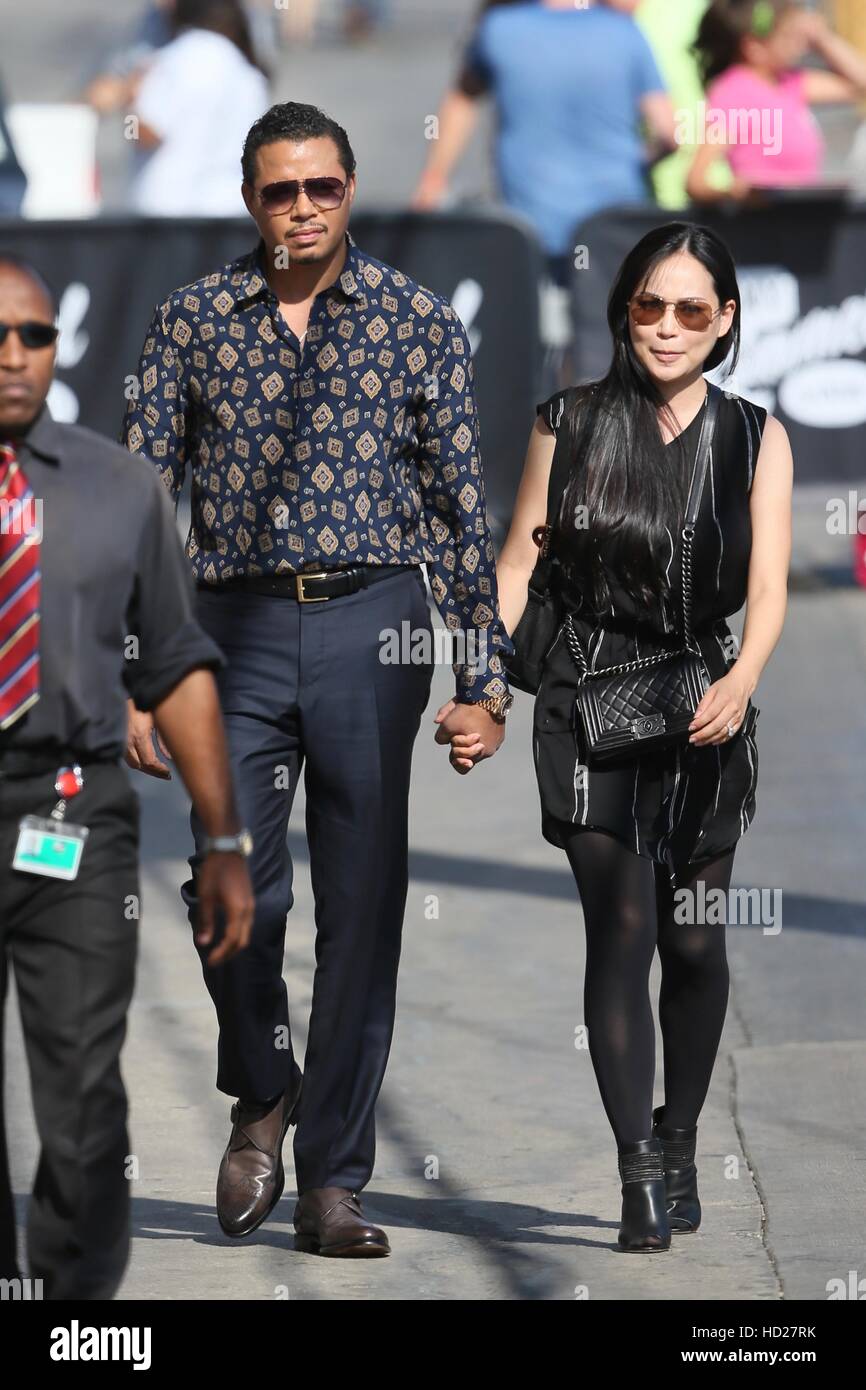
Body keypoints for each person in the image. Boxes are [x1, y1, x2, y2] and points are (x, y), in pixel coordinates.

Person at [120, 101, 514, 1258]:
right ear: (250, 201)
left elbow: (455, 511)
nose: (301, 209)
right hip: (230, 632)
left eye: (322, 189)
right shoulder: (192, 322)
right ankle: (262, 1087)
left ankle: (335, 1180)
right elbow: (141, 506)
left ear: (350, 190)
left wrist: (482, 678)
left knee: (362, 908)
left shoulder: (413, 322)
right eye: (279, 191)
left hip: (372, 629)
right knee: (226, 885)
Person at [446, 222, 793, 1251]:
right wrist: (484, 692)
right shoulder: (568, 422)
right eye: (649, 305)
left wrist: (741, 678)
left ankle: (677, 1134)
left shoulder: (753, 436)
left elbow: (769, 585)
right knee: (624, 932)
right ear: (621, 312)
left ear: (724, 320)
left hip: (700, 700)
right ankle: (635, 1175)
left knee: (691, 940)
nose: (668, 327)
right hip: (582, 703)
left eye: (692, 309)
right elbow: (516, 563)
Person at [0, 253, 254, 1299]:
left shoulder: (121, 486)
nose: (13, 357)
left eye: (34, 335)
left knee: (81, 1092)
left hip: (72, 808)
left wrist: (225, 840)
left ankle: (73, 1309)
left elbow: (177, 663)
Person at [411, 0, 676, 288]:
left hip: (529, 230)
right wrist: (639, 163)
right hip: (615, 226)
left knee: (537, 324)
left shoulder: (499, 29)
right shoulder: (626, 32)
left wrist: (433, 179)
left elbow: (462, 100)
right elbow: (669, 134)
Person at [687, 0, 866, 201]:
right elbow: (696, 181)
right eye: (788, 37)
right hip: (765, 225)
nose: (799, 46)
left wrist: (823, 38)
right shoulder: (733, 93)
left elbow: (860, 85)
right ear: (753, 46)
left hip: (802, 220)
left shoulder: (790, 84)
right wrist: (736, 192)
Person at [130, 0, 269, 216]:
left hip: (171, 211)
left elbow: (147, 133)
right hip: (231, 207)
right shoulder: (247, 70)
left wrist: (130, 98)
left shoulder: (177, 58)